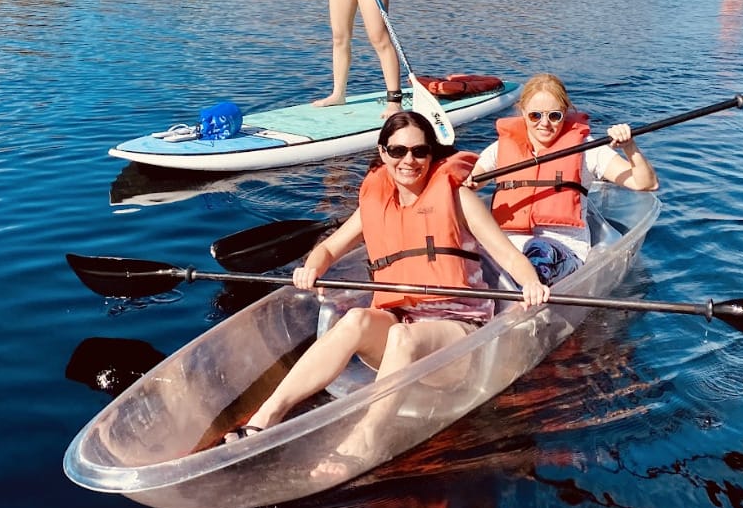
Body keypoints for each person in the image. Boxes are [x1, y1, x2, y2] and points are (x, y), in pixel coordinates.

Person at [223, 110, 551, 475]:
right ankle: (268, 415)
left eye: (419, 152)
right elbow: (330, 248)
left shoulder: (457, 198)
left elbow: (506, 253)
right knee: (357, 319)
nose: (408, 161)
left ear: (432, 155)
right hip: (402, 326)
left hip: (458, 339)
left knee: (401, 334)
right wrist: (314, 267)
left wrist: (532, 284)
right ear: (383, 153)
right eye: (397, 151)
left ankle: (367, 437)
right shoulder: (376, 201)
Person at [469, 74, 659, 284]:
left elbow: (646, 183)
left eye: (554, 116)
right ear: (523, 112)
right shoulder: (499, 150)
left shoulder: (587, 149)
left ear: (565, 113)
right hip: (505, 249)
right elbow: (468, 186)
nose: (545, 124)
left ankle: (525, 302)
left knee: (540, 252)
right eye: (535, 116)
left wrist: (629, 146)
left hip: (559, 248)